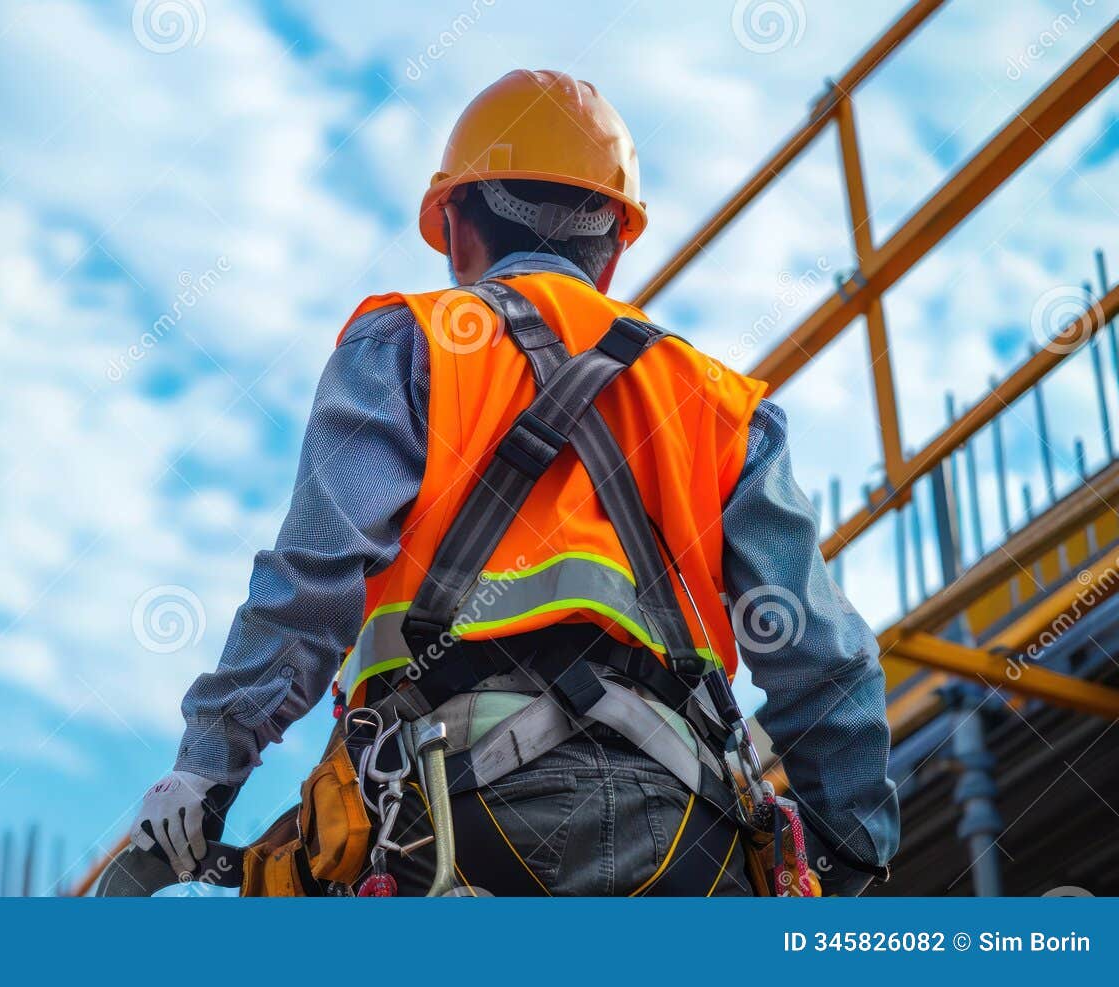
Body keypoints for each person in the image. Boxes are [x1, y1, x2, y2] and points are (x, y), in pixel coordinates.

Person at [130, 70, 898, 896]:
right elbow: (828, 662)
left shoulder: (409, 343)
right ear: (614, 246)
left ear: (458, 229)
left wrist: (205, 776)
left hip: (454, 825)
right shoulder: (719, 403)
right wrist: (842, 861)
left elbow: (312, 582)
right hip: (692, 840)